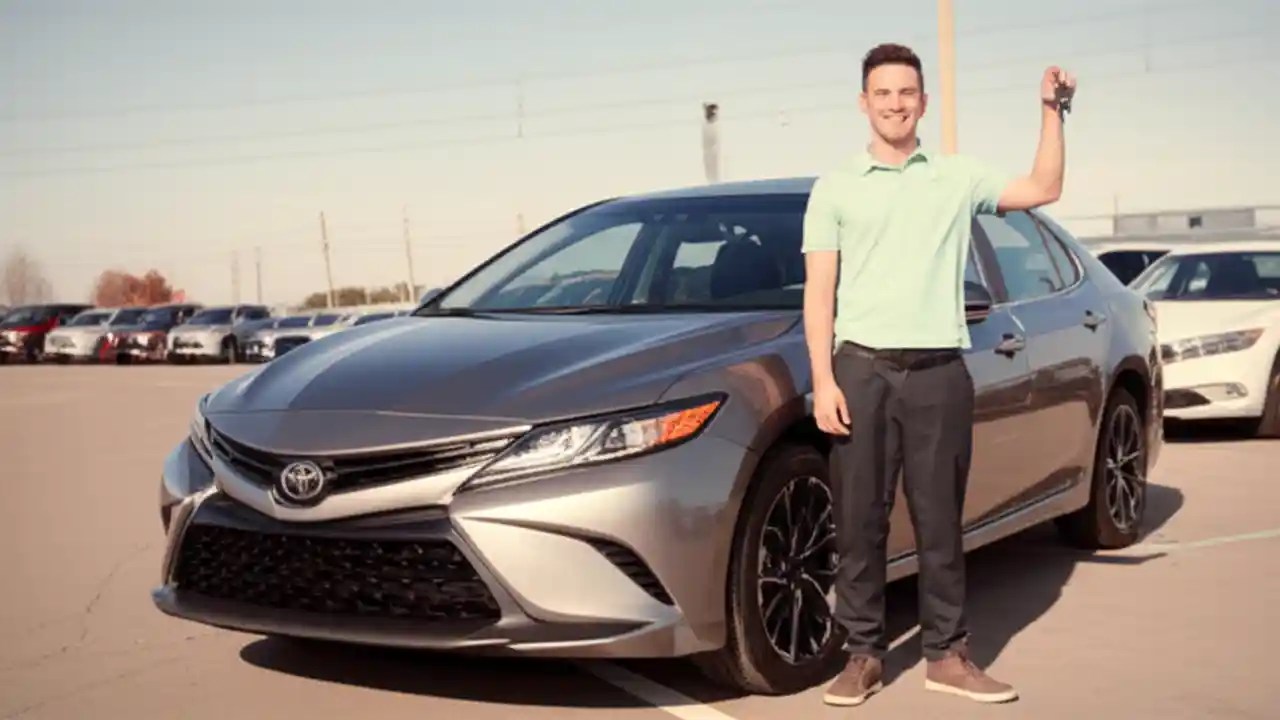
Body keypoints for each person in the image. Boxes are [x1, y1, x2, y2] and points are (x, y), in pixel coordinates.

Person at [801, 43, 1074, 706]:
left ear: (923, 102)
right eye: (883, 93)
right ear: (864, 103)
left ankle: (947, 655)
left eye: (907, 92)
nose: (895, 103)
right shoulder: (835, 188)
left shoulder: (956, 177)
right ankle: (861, 655)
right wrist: (825, 380)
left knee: (939, 520)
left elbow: (1044, 188)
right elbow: (818, 293)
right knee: (860, 520)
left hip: (938, 373)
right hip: (860, 369)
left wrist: (1053, 111)